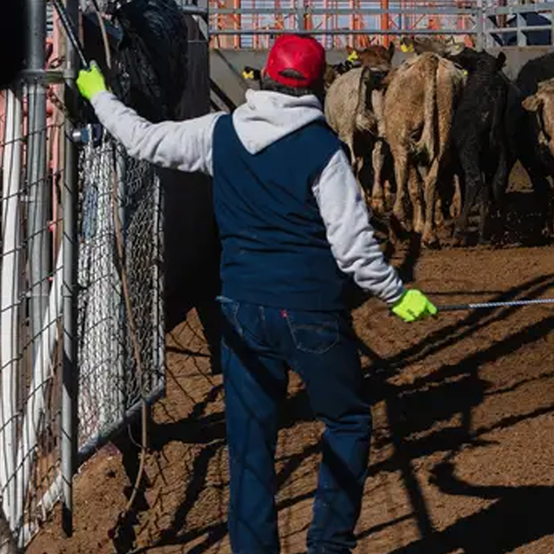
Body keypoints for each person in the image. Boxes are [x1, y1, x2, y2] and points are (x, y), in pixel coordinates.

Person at [76, 32, 436, 554]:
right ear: (314, 85)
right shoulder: (323, 150)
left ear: (264, 76)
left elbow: (144, 141)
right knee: (349, 420)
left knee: (249, 448)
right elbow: (354, 249)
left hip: (242, 312)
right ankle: (328, 545)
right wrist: (396, 294)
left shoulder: (220, 133)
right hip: (312, 312)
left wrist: (98, 93)